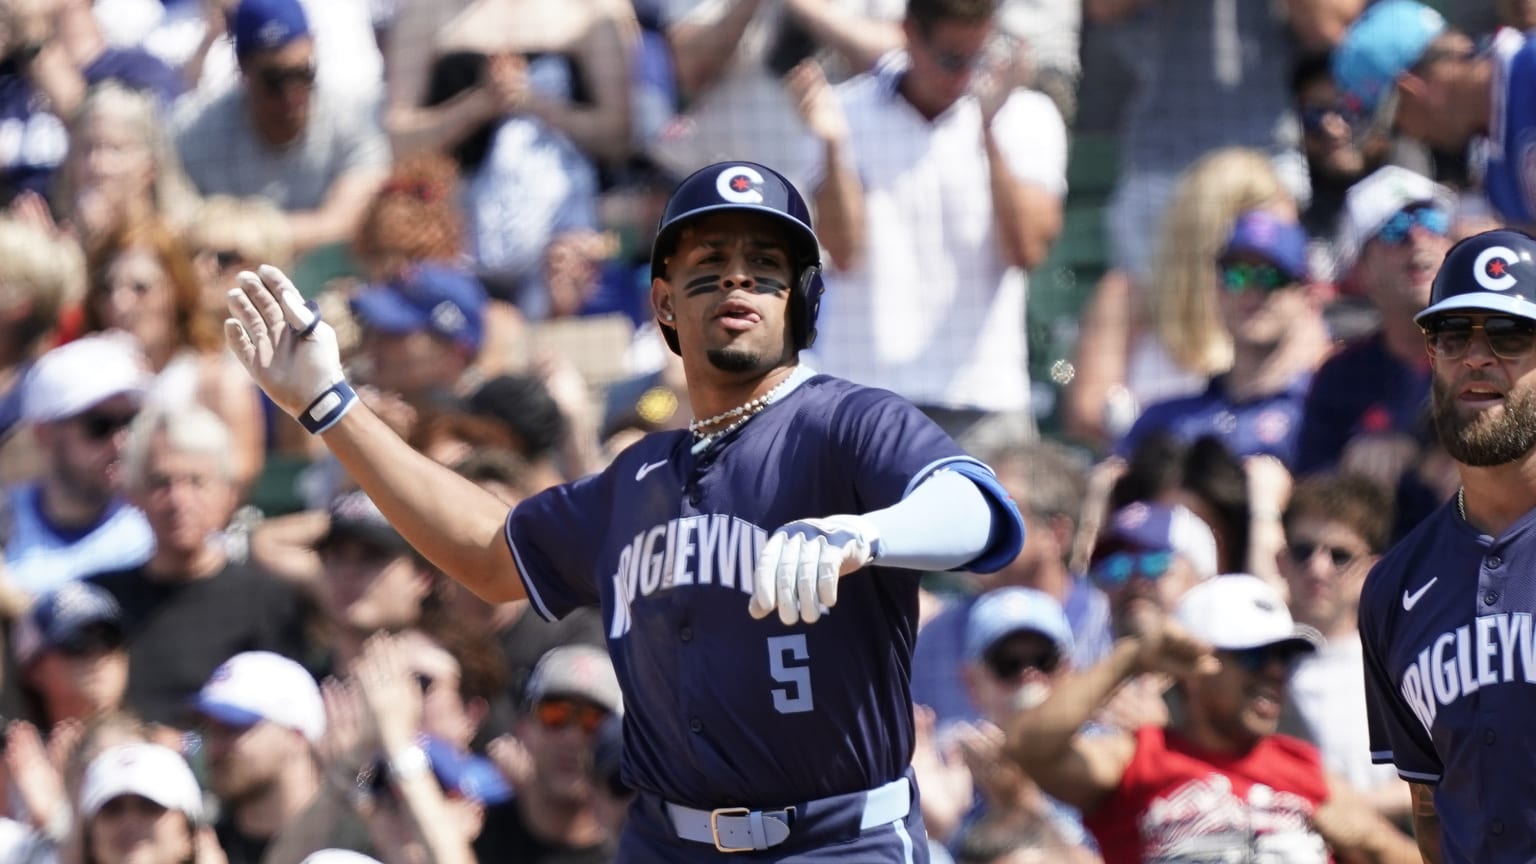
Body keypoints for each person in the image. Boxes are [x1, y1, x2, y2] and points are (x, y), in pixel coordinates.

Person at [223, 159, 1026, 860]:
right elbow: (487, 554)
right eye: (709, 263)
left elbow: (978, 510)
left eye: (765, 264)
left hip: (836, 841)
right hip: (666, 844)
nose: (738, 281)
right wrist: (331, 406)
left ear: (800, 298)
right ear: (666, 302)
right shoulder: (637, 477)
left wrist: (870, 531)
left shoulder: (845, 422)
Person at [1007, 574, 1420, 864]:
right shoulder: (1135, 759)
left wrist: (1370, 843)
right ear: (1192, 668)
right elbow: (1029, 748)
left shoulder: (1305, 768)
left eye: (1283, 658)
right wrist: (1130, 659)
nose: (1275, 673)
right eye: (1255, 656)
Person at [1358, 228, 1536, 864]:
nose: (1477, 357)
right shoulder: (1393, 587)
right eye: (1454, 335)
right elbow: (1430, 809)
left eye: (1510, 336)